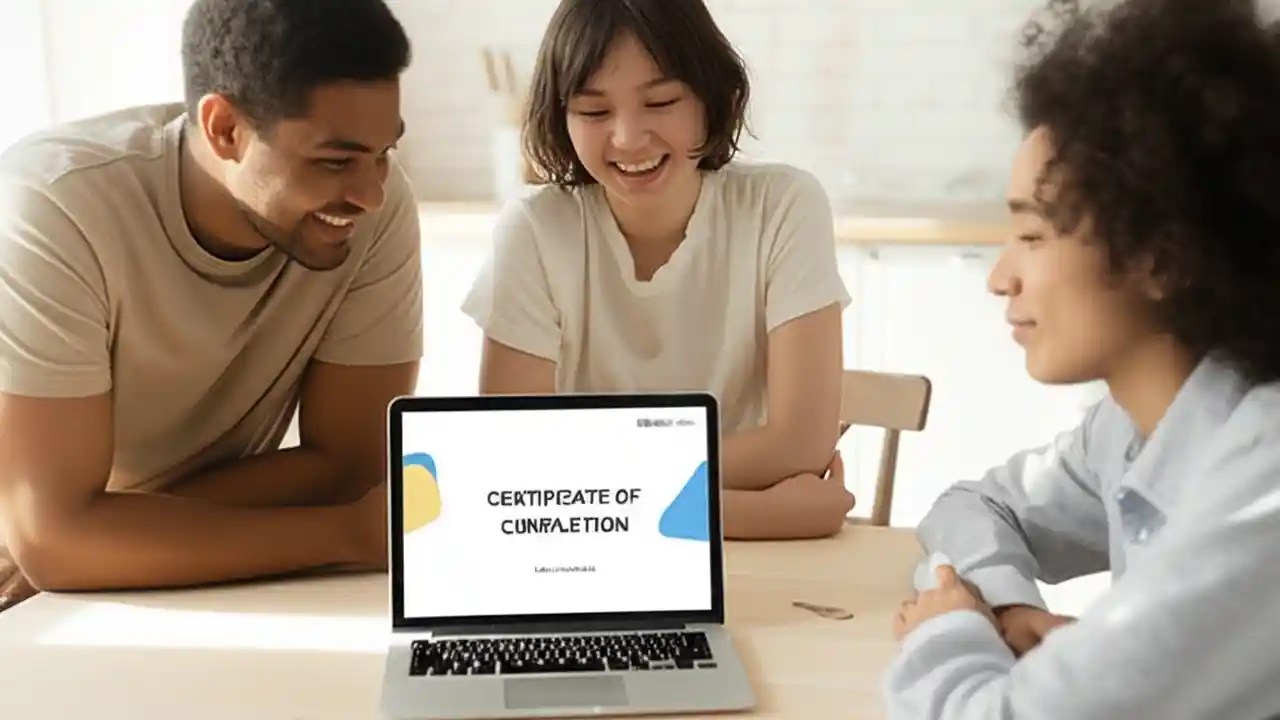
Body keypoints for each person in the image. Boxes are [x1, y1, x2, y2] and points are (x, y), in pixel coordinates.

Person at [885, 0, 1280, 717]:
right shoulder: (1131, 428)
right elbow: (975, 505)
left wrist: (949, 632)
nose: (1000, 277)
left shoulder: (1263, 489)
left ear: (1162, 257)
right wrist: (1005, 603)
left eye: (1034, 237)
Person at [0, 0, 420, 613]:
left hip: (173, 570)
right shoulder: (55, 207)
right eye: (335, 161)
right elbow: (51, 542)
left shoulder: (366, 214)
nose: (372, 193)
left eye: (384, 153)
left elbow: (352, 465)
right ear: (225, 129)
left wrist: (113, 533)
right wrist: (348, 535)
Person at [461, 0, 855, 539]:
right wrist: (754, 511)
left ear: (714, 98)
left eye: (661, 101)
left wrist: (601, 493)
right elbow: (517, 463)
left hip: (749, 563)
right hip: (599, 563)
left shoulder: (783, 206)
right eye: (594, 112)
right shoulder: (533, 231)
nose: (626, 137)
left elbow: (800, 443)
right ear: (561, 117)